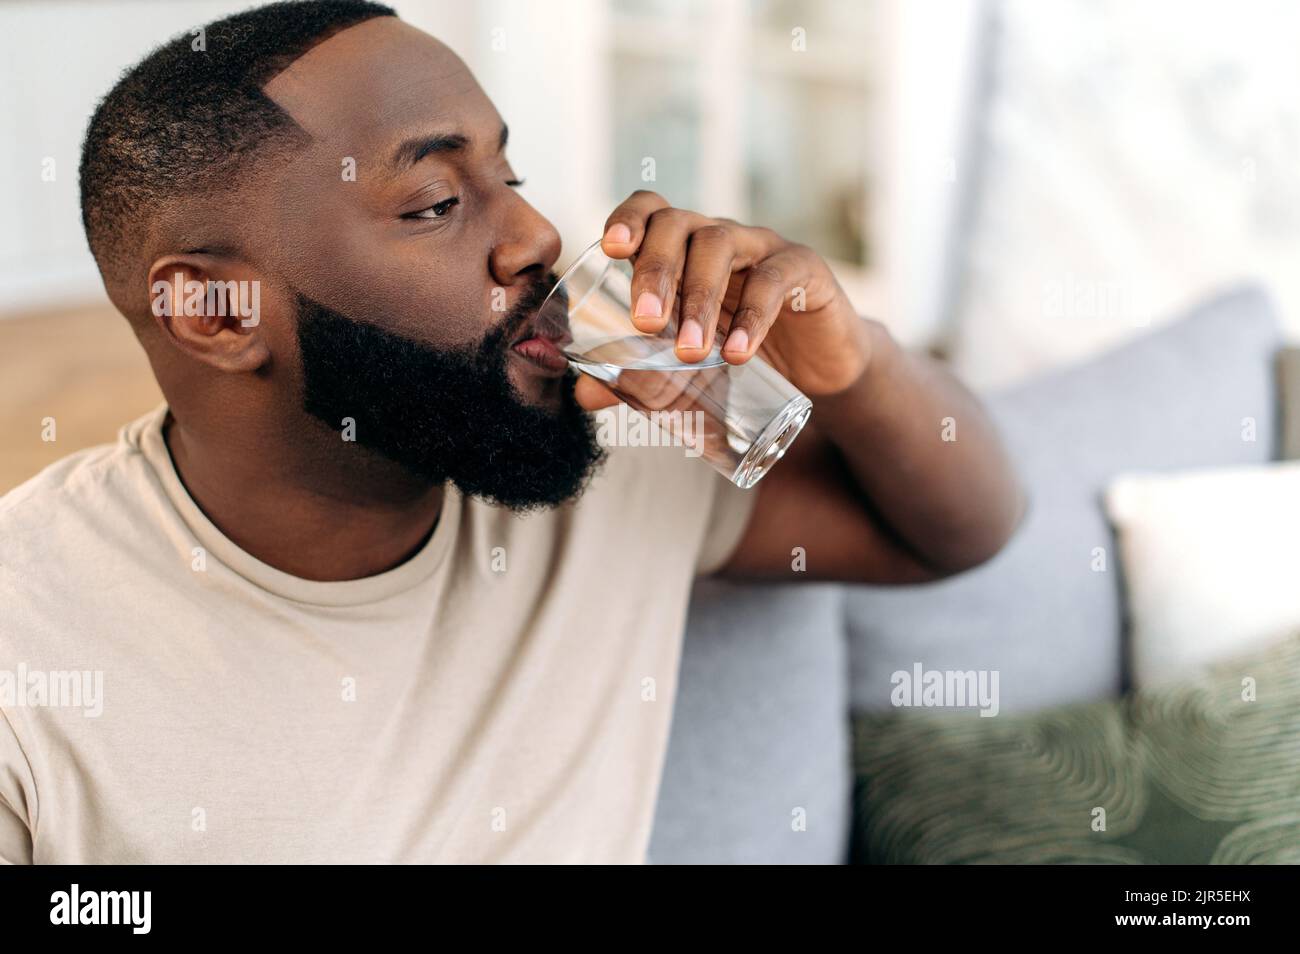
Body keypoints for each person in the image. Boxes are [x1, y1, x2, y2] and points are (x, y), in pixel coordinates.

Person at [0, 0, 1023, 863]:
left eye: (511, 178)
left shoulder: (614, 456)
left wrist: (859, 365)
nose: (535, 237)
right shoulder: (30, 657)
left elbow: (950, 530)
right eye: (437, 202)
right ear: (217, 314)